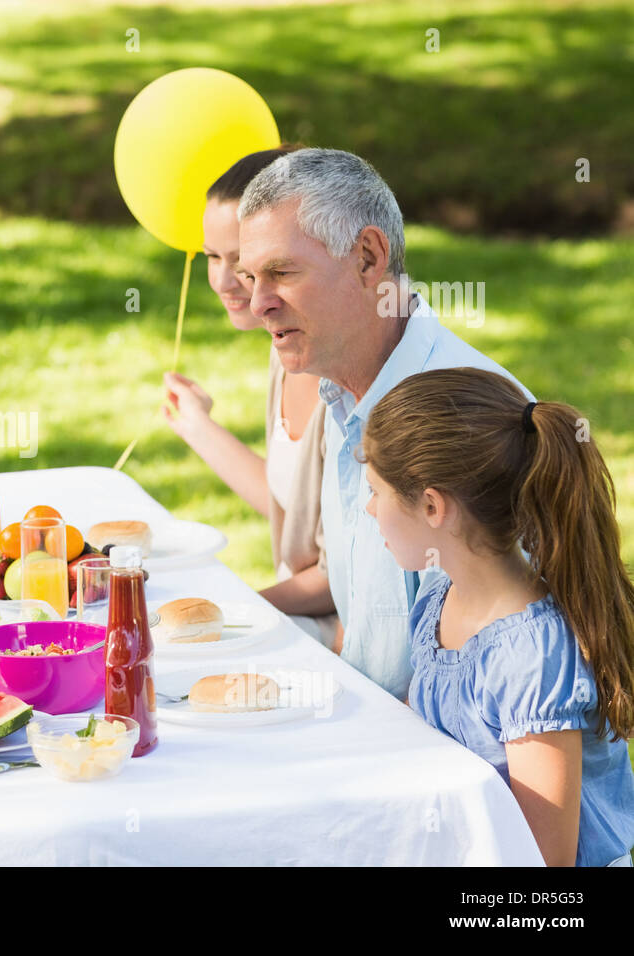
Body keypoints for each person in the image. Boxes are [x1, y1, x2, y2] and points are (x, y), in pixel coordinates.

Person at [234, 148, 532, 697]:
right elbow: (367, 620)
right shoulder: (344, 389)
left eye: (280, 272)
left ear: (369, 258)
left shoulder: (455, 422)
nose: (257, 304)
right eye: (249, 277)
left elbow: (507, 682)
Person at [361, 368, 634, 866]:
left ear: (431, 505)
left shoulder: (529, 655)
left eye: (377, 491)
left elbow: (543, 859)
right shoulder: (441, 593)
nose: (368, 508)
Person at [162, 147, 337, 647]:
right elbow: (293, 509)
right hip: (297, 619)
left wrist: (231, 609)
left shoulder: (336, 368)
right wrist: (197, 426)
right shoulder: (282, 346)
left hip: (337, 638)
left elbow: (341, 578)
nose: (220, 281)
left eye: (239, 261)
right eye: (212, 257)